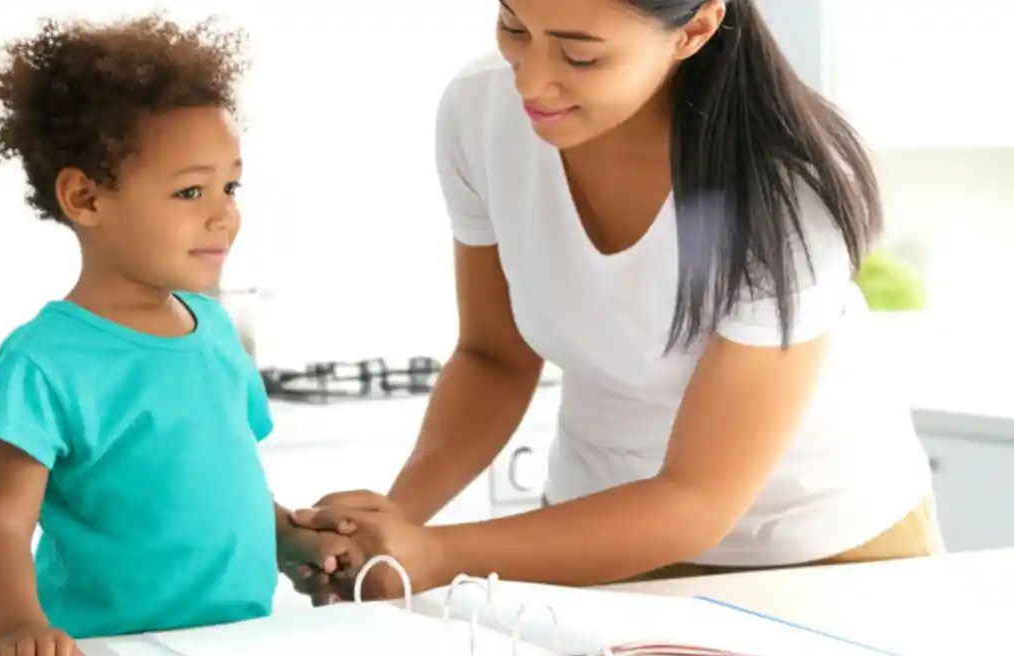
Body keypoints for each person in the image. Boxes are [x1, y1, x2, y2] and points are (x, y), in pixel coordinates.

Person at [291, 0, 943, 602]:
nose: (529, 82)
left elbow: (696, 500)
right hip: (592, 536)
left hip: (825, 551)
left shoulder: (785, 185)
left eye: (580, 55)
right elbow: (494, 358)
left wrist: (433, 555)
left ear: (694, 30)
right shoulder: (480, 112)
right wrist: (391, 527)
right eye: (514, 27)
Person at [0, 14, 356, 656]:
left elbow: (222, 483)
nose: (223, 213)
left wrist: (291, 537)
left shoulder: (215, 330)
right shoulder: (45, 359)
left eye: (230, 187)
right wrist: (19, 628)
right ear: (84, 197)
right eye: (189, 191)